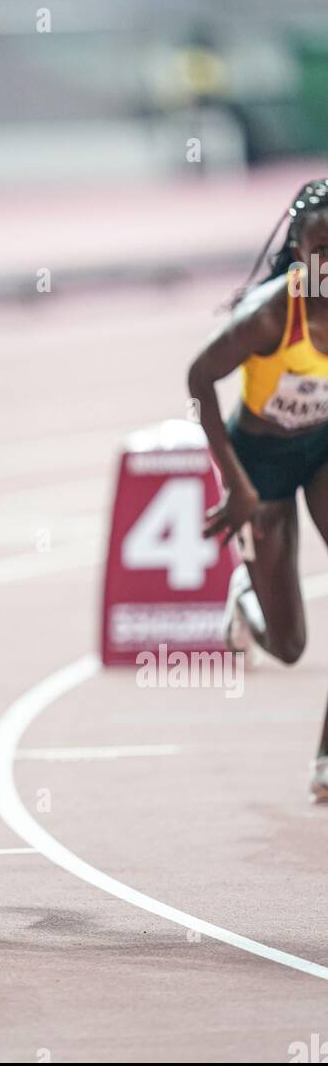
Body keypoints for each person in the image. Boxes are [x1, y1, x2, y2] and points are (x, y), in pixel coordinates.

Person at [187, 179, 328, 802]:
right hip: (261, 462)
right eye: (321, 248)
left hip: (322, 448)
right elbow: (199, 375)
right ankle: (246, 599)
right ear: (299, 252)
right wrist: (236, 484)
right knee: (292, 646)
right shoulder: (274, 313)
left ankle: (325, 760)